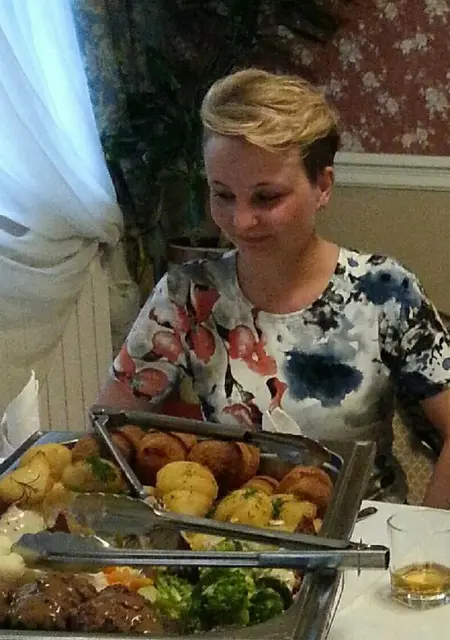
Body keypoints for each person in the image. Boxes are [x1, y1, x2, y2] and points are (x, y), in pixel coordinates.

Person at [98, 68, 450, 509]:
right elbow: (108, 429)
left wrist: (426, 538)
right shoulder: (188, 294)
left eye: (266, 197)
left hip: (363, 533)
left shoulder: (384, 290)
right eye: (223, 194)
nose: (241, 221)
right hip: (233, 533)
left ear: (322, 186)